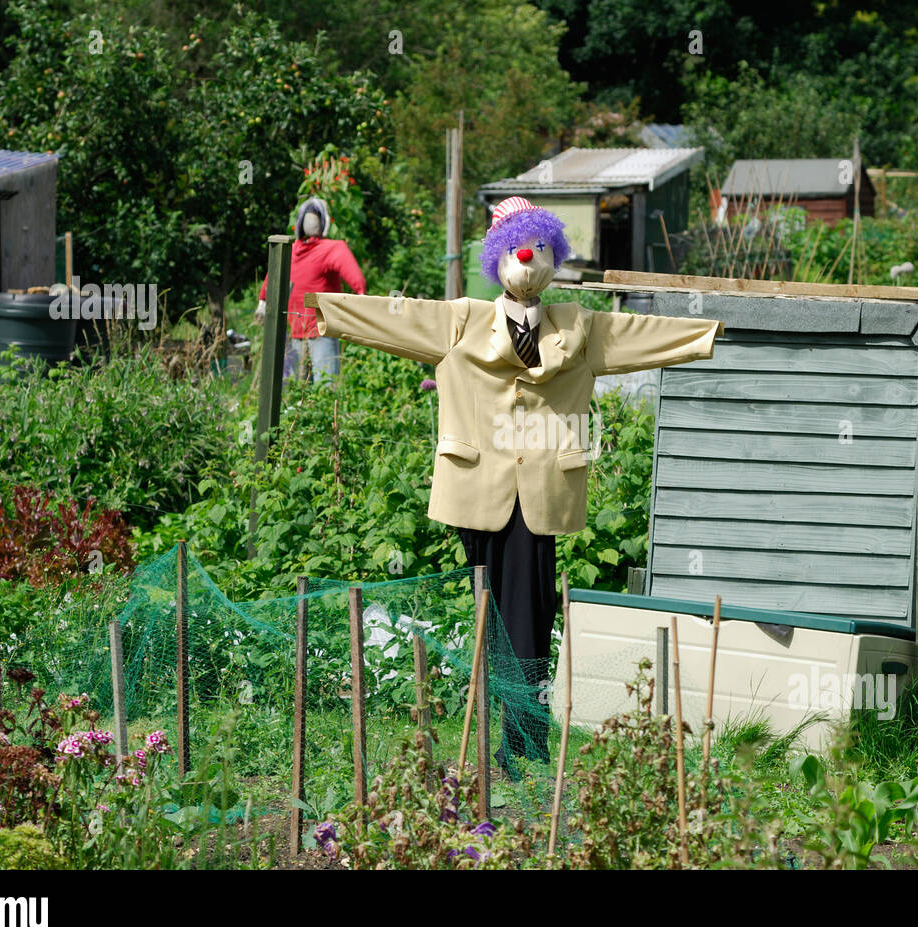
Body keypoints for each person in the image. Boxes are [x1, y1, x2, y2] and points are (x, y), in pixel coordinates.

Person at [307, 197, 722, 776]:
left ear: (551, 258)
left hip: (540, 497)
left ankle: (522, 742)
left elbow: (642, 331)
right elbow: (394, 315)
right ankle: (504, 734)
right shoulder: (462, 321)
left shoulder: (577, 327)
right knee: (495, 614)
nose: (528, 262)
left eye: (538, 252)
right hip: (475, 491)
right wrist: (319, 307)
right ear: (499, 260)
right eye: (518, 253)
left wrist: (708, 331)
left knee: (527, 616)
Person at [257, 197, 366, 382]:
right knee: (326, 389)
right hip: (322, 330)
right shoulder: (333, 248)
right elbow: (359, 283)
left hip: (296, 331)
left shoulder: (289, 251)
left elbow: (269, 283)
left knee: (299, 391)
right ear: (324, 223)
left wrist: (262, 303)